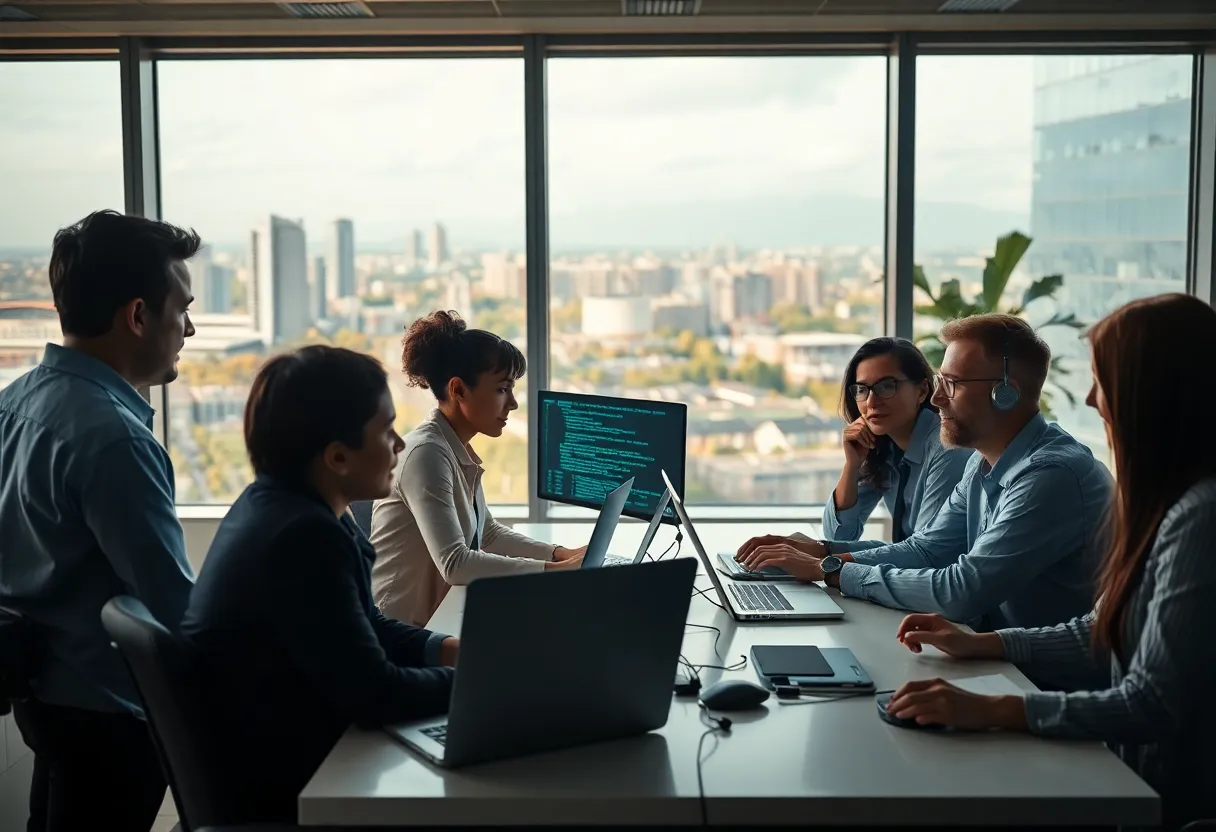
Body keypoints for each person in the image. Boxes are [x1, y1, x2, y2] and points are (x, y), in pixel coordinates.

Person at [885, 294, 1216, 830]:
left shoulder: (1198, 517)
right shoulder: (1167, 503)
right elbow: (1101, 629)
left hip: (1159, 801)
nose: (1090, 400)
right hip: (1120, 772)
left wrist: (994, 710)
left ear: (1155, 393)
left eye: (1104, 381)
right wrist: (984, 644)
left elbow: (1152, 702)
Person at [182, 346, 456, 824]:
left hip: (291, 751)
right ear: (337, 457)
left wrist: (450, 649)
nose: (399, 445)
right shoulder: (303, 539)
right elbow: (376, 693)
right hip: (289, 784)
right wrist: (479, 683)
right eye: (386, 430)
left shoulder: (288, 505)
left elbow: (367, 625)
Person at [0, 210, 198, 832]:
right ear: (138, 316)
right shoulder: (114, 439)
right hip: (108, 715)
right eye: (182, 309)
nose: (189, 328)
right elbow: (171, 606)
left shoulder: (16, 402)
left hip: (41, 694)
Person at [735, 314, 1112, 633]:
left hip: (1043, 682)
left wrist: (828, 569)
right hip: (995, 654)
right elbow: (926, 548)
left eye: (952, 384)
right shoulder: (984, 464)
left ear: (1006, 393)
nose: (937, 398)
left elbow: (961, 590)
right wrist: (822, 554)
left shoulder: (1049, 475)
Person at [371, 310, 585, 627]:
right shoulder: (426, 455)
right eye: (502, 389)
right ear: (458, 390)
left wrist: (560, 554)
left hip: (444, 616)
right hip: (408, 636)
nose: (512, 403)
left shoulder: (453, 447)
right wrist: (553, 572)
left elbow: (487, 534)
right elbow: (455, 563)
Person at [744, 338, 971, 558]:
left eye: (886, 386)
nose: (871, 402)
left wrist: (825, 552)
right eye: (862, 389)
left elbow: (925, 554)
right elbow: (840, 533)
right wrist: (852, 465)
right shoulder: (885, 447)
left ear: (922, 391)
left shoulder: (947, 449)